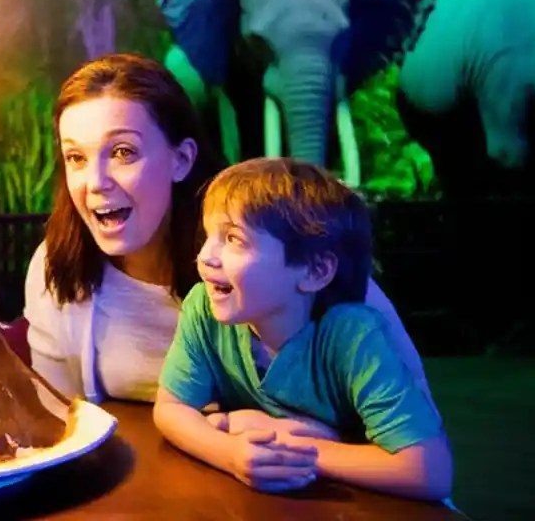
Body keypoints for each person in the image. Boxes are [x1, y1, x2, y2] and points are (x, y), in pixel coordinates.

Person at [23, 52, 434, 406]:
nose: (95, 181)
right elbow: (63, 424)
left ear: (181, 159)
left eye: (123, 152)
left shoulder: (286, 250)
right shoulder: (58, 265)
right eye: (75, 157)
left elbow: (414, 424)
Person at [153, 158, 452, 501]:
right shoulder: (203, 307)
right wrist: (230, 453)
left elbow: (430, 471)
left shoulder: (352, 336)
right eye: (209, 235)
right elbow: (171, 408)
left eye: (234, 239)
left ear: (314, 271)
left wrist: (291, 444)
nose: (206, 256)